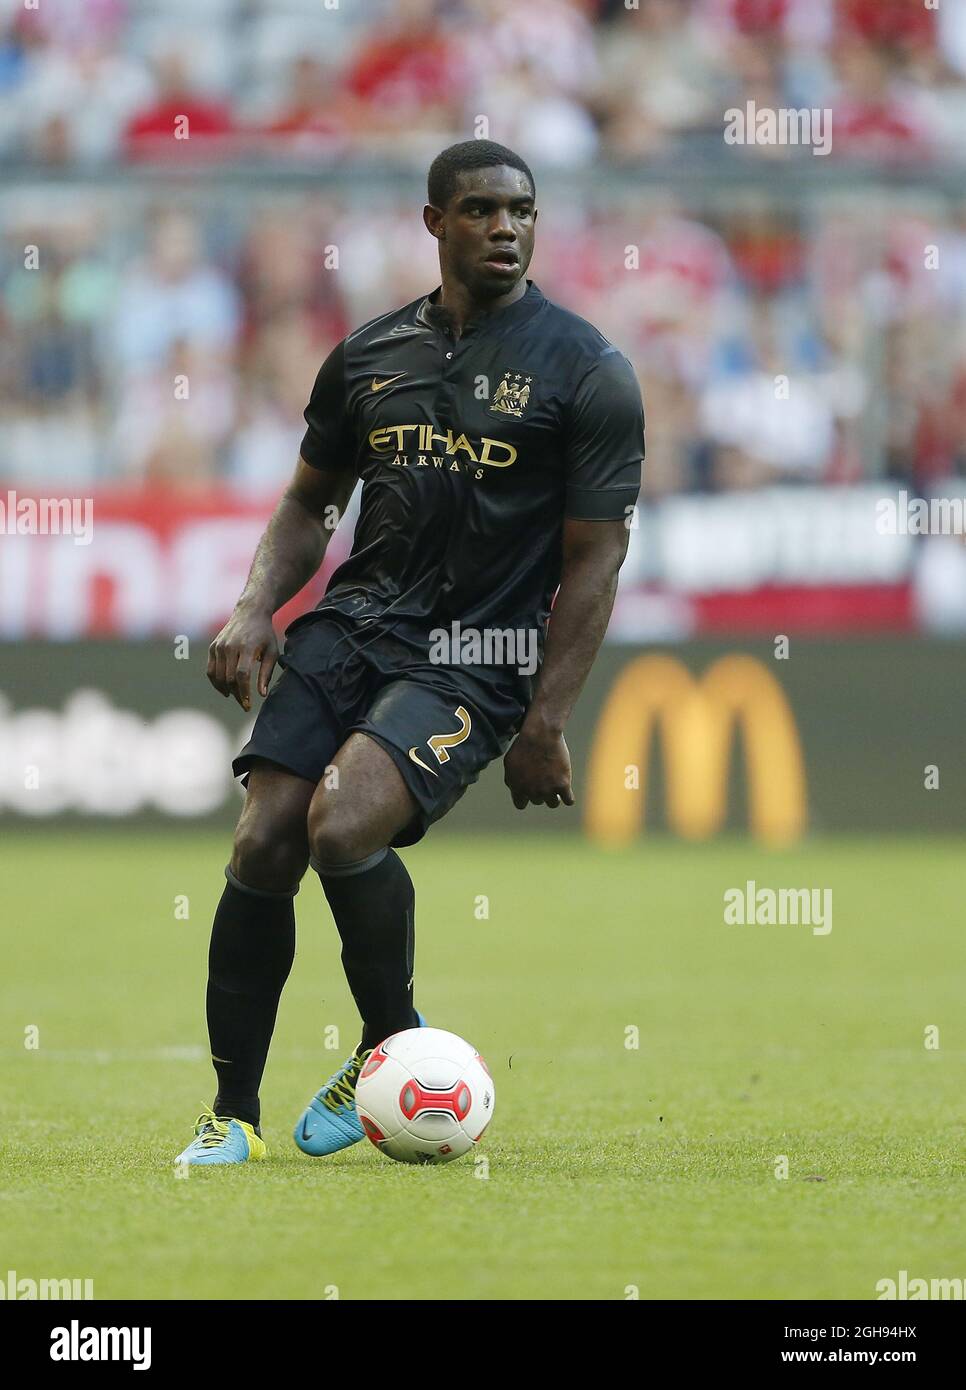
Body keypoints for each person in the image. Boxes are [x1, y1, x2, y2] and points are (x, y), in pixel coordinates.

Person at [175, 139, 644, 1165]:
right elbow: (309, 500)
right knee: (263, 845)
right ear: (435, 223)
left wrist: (548, 719)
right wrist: (256, 607)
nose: (505, 229)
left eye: (521, 211)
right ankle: (232, 1117)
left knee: (343, 823)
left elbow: (597, 556)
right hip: (352, 625)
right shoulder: (370, 353)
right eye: (479, 211)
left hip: (477, 651)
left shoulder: (589, 371)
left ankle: (388, 1043)